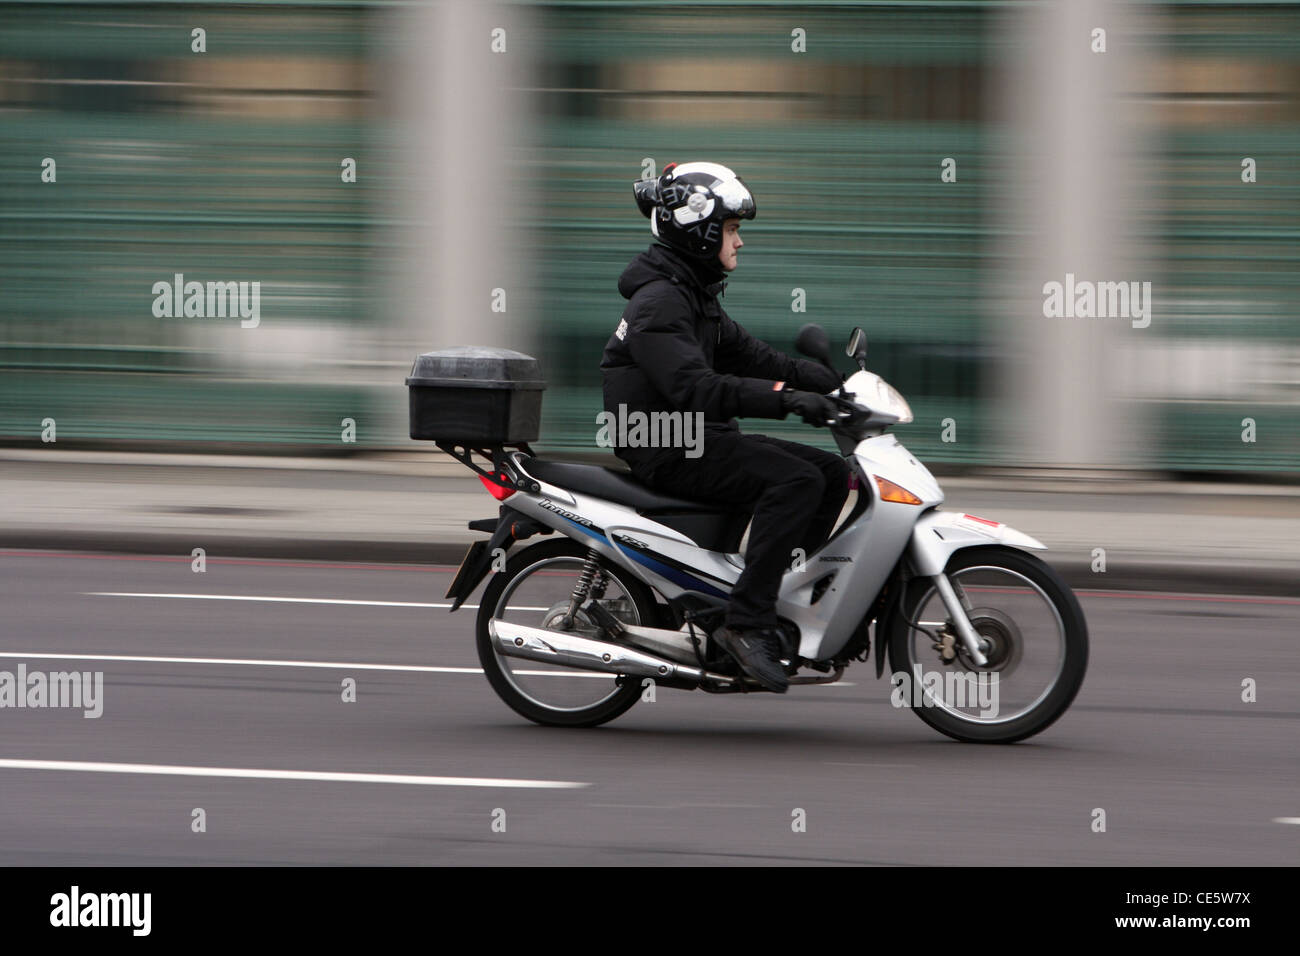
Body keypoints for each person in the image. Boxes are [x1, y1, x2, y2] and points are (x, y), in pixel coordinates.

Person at [600, 161, 851, 693]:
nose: (739, 243)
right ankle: (747, 622)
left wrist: (826, 380)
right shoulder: (659, 303)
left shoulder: (691, 293)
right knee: (795, 480)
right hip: (665, 441)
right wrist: (788, 400)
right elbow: (695, 387)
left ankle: (783, 596)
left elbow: (750, 355)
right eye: (733, 231)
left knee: (829, 471)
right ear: (701, 231)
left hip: (695, 435)